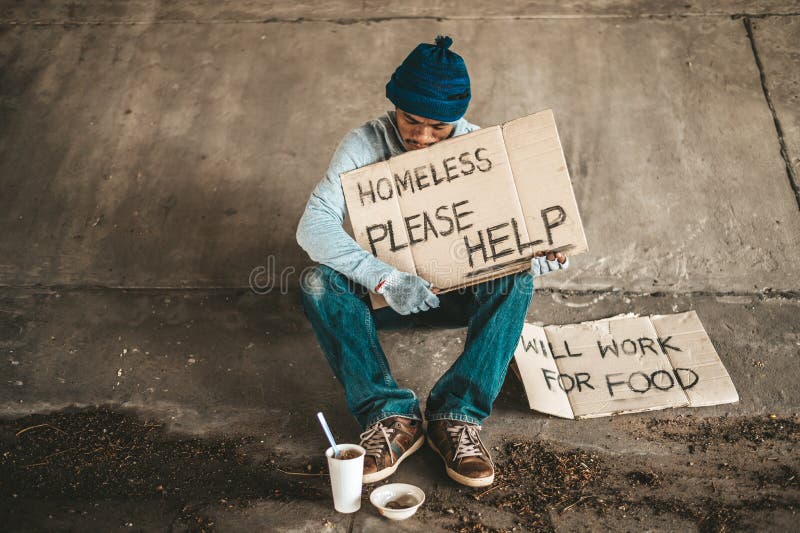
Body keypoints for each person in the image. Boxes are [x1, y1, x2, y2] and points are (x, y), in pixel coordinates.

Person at [296, 35, 568, 488]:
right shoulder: (363, 143)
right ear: (394, 106)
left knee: (517, 281)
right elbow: (313, 226)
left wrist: (536, 258)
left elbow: (502, 250)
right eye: (411, 120)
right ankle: (390, 417)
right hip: (384, 298)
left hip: (455, 293)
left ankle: (456, 417)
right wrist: (384, 279)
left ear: (457, 118)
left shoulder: (481, 151)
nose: (421, 137)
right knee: (316, 283)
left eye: (438, 127)